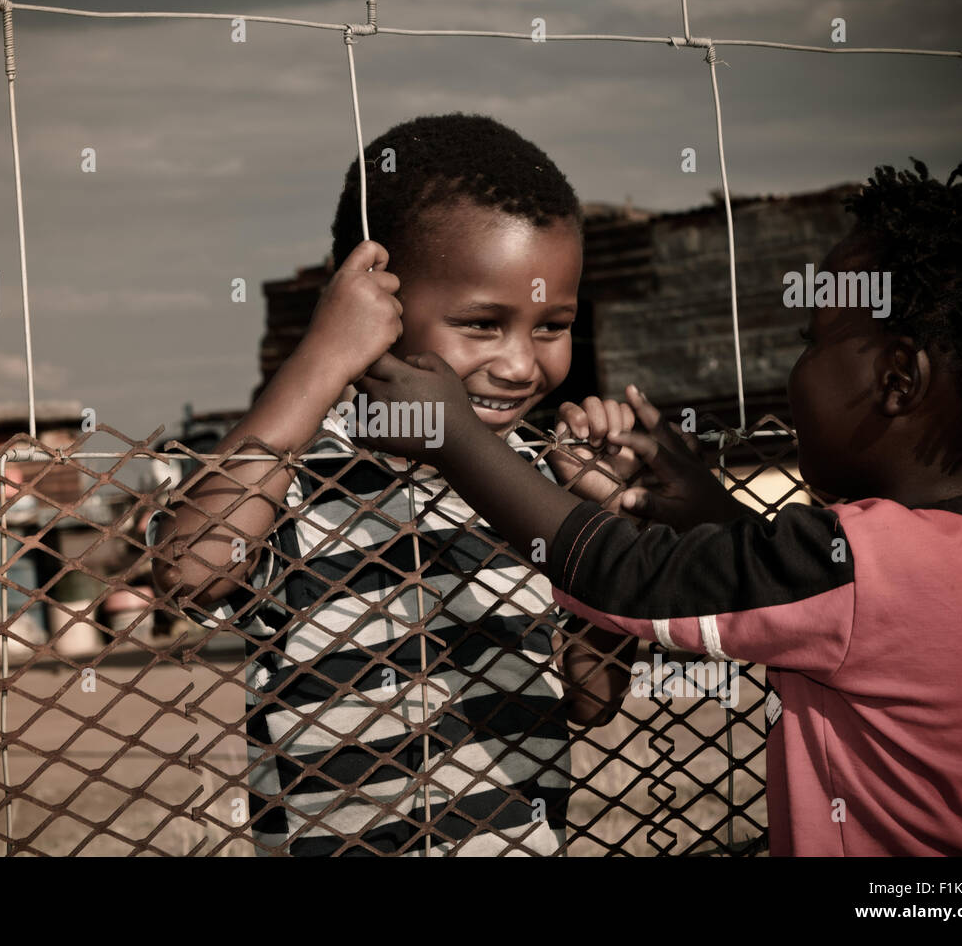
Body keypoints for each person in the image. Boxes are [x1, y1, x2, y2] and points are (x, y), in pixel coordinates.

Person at [356, 158, 962, 855]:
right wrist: (706, 505)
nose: (796, 366)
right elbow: (816, 599)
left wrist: (458, 439)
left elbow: (629, 579)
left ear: (897, 379)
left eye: (813, 339)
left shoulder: (860, 563)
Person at [147, 113, 638, 855]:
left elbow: (590, 699)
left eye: (551, 324)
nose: (520, 364)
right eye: (481, 324)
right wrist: (322, 357)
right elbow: (190, 571)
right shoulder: (301, 481)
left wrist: (609, 528)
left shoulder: (536, 487)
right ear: (374, 303)